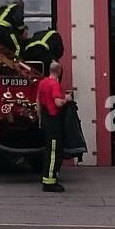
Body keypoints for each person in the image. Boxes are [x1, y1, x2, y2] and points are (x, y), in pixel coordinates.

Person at [38, 62, 72, 193]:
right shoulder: (55, 84)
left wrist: (40, 120)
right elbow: (58, 103)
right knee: (53, 153)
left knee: (49, 151)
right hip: (54, 121)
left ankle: (48, 178)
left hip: (46, 119)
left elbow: (38, 103)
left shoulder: (42, 83)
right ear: (59, 71)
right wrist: (67, 99)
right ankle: (49, 182)